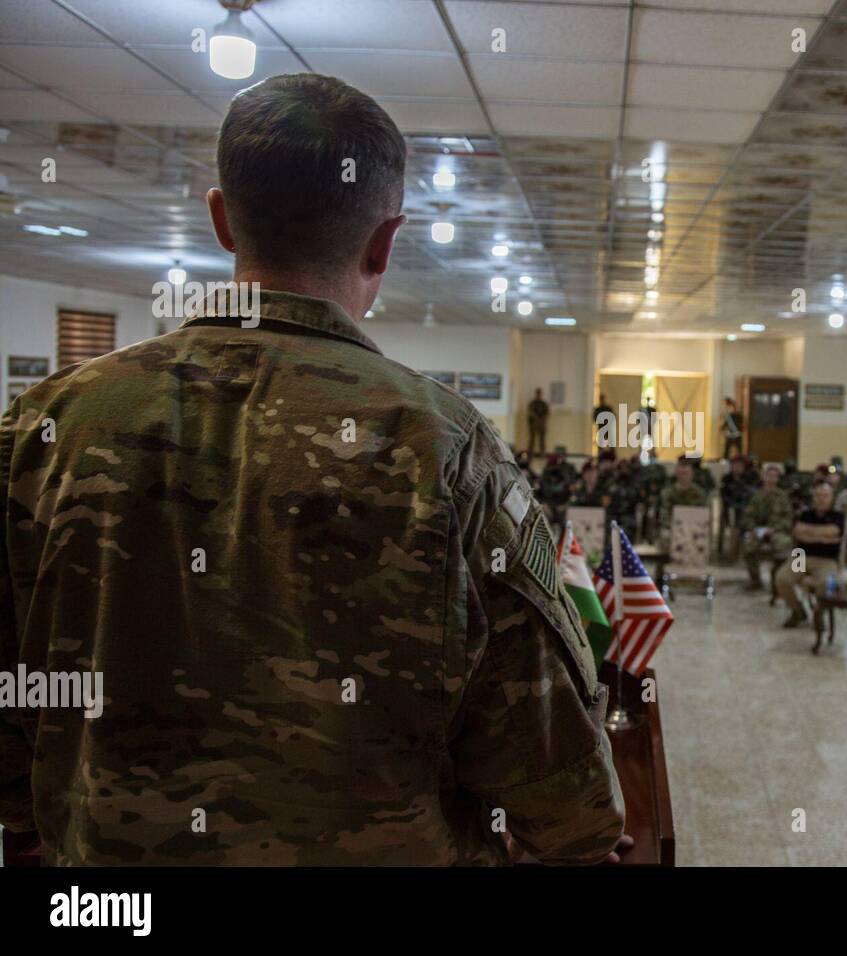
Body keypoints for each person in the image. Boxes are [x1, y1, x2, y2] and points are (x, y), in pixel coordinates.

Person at [0, 74, 625, 866]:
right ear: (385, 241)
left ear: (223, 219)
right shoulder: (445, 450)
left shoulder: (42, 426)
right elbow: (559, 784)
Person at [774, 482, 845, 628]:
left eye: (825, 496)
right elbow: (797, 532)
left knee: (827, 584)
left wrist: (809, 533)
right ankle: (798, 611)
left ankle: (819, 613)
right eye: (818, 495)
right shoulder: (805, 514)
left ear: (831, 498)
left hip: (827, 559)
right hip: (800, 555)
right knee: (782, 579)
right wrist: (823, 536)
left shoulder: (838, 516)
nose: (821, 499)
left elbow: (834, 532)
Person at [740, 464, 794, 590]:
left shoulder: (783, 497)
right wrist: (753, 528)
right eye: (769, 476)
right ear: (764, 477)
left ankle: (778, 580)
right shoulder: (756, 496)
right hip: (758, 531)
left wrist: (774, 529)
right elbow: (748, 516)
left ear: (778, 479)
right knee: (748, 544)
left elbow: (788, 519)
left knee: (783, 544)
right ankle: (755, 579)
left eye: (774, 476)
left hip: (777, 531)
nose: (771, 479)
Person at [657, 458, 708, 552]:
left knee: (700, 537)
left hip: (694, 526)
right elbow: (664, 514)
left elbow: (703, 515)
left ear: (692, 475)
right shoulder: (668, 493)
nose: (684, 476)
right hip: (673, 526)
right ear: (677, 474)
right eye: (681, 473)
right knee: (665, 535)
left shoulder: (699, 493)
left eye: (686, 473)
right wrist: (674, 526)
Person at [526, 387, 550, 457]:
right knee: (532, 440)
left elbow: (547, 413)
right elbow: (530, 413)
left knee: (542, 440)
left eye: (540, 394)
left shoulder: (544, 404)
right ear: (536, 394)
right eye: (537, 393)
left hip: (542, 424)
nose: (539, 395)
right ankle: (530, 454)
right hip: (533, 424)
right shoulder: (532, 403)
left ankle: (542, 453)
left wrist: (543, 419)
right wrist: (537, 418)